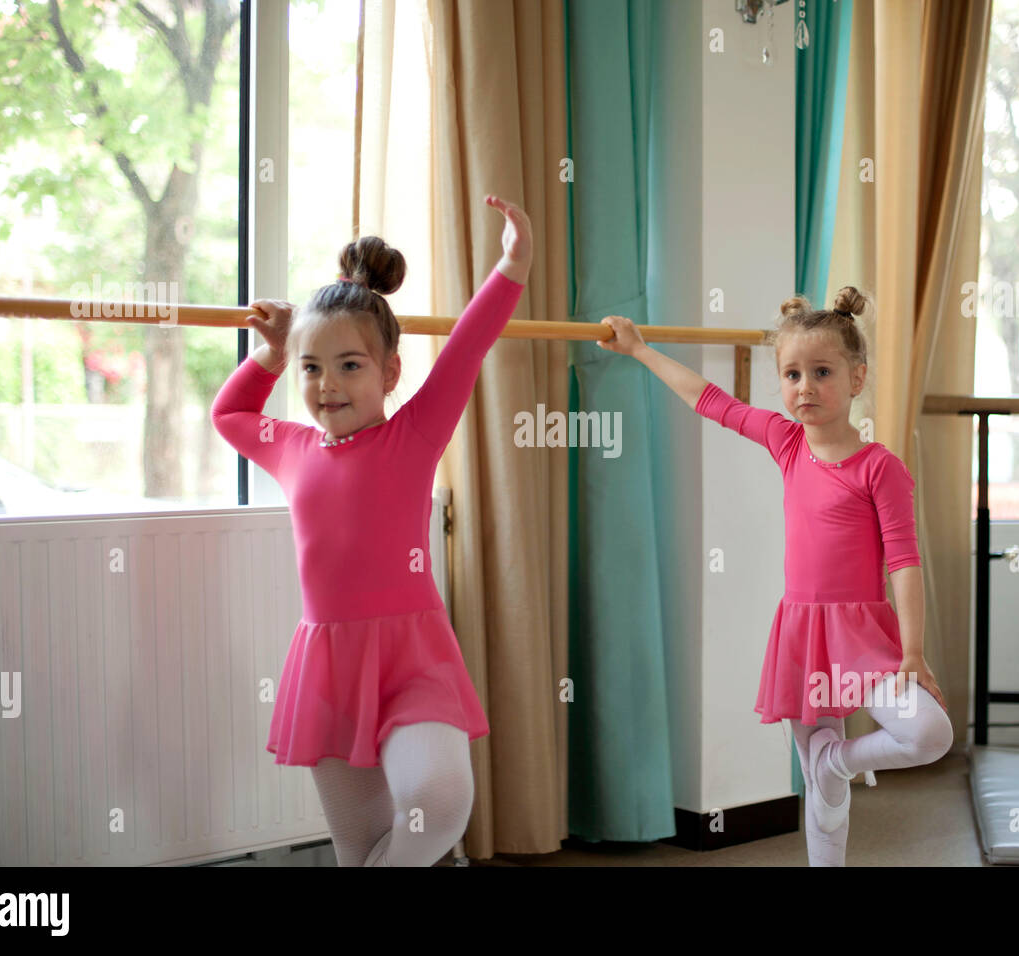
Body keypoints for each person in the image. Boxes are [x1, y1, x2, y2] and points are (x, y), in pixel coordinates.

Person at [211, 195, 532, 866]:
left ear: (388, 372)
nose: (327, 384)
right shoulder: (289, 446)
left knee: (438, 802)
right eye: (311, 367)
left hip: (414, 658)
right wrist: (271, 354)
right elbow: (229, 413)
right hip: (330, 666)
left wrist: (512, 262)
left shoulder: (412, 436)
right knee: (361, 849)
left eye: (349, 365)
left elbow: (468, 347)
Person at [597, 288, 953, 866]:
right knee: (824, 798)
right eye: (791, 374)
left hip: (865, 638)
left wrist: (912, 652)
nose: (804, 386)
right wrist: (639, 350)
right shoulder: (787, 443)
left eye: (821, 372)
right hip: (803, 635)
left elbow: (904, 561)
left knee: (927, 734)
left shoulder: (879, 467)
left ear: (857, 379)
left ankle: (838, 759)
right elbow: (709, 400)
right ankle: (828, 792)